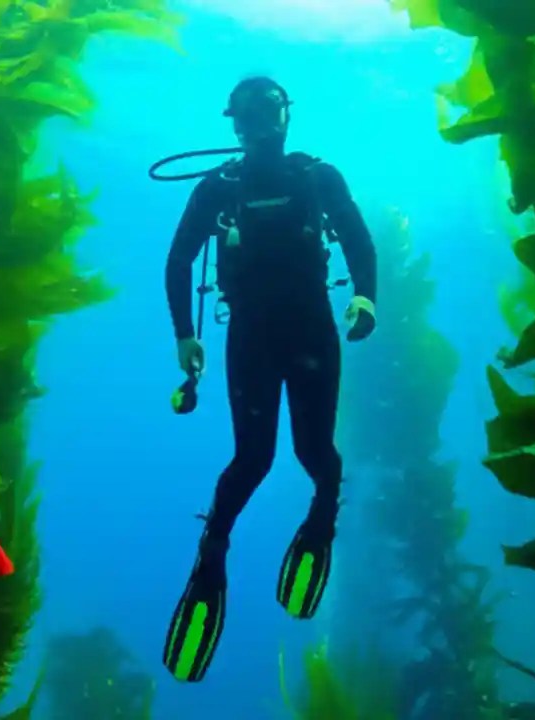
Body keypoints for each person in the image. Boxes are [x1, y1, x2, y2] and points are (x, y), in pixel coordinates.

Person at [160, 76, 377, 683]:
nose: (260, 126)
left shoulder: (317, 178)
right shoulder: (219, 188)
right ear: (235, 125)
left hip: (308, 331)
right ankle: (212, 555)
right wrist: (185, 333)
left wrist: (367, 298)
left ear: (285, 117)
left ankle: (321, 519)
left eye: (269, 113)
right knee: (252, 459)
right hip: (255, 337)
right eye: (249, 117)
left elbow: (358, 239)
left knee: (314, 453)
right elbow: (178, 259)